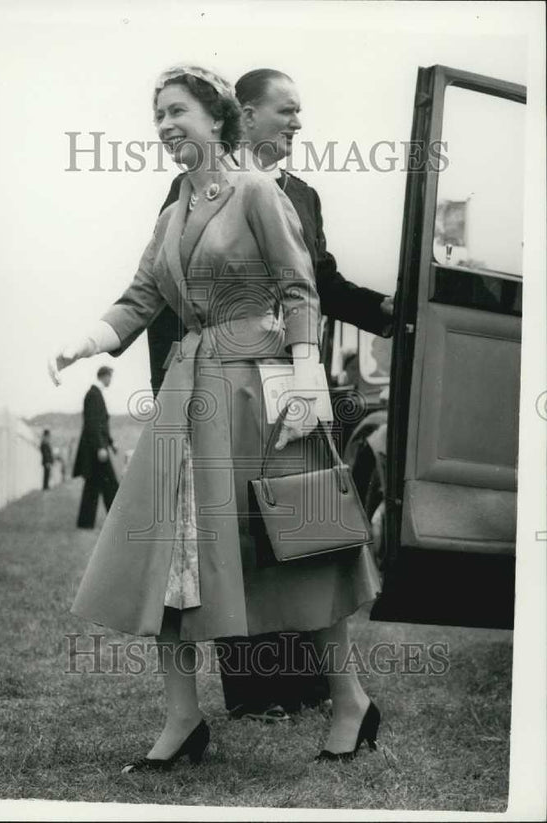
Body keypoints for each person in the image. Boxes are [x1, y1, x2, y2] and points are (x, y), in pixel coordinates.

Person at [49, 65, 381, 771]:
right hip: (190, 395)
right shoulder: (171, 213)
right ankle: (182, 719)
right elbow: (140, 298)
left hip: (266, 387)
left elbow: (299, 288)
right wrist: (86, 342)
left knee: (306, 541)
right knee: (170, 554)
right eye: (158, 116)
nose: (166, 126)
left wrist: (306, 381)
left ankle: (350, 701)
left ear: (216, 116)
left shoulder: (257, 190)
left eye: (177, 111)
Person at [153, 68, 394, 722]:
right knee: (234, 531)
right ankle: (257, 689)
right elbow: (168, 301)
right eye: (285, 111)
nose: (297, 123)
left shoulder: (304, 195)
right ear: (247, 114)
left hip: (294, 379)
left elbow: (321, 284)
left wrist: (387, 309)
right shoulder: (192, 190)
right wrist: (168, 394)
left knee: (305, 522)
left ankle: (318, 686)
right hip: (221, 385)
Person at [72, 366, 119, 529]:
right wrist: (101, 447)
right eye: (110, 377)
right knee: (110, 484)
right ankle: (118, 520)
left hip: (96, 447)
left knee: (93, 485)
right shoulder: (94, 395)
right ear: (104, 376)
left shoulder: (95, 394)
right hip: (96, 449)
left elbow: (100, 425)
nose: (111, 380)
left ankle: (85, 523)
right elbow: (93, 423)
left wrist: (111, 443)